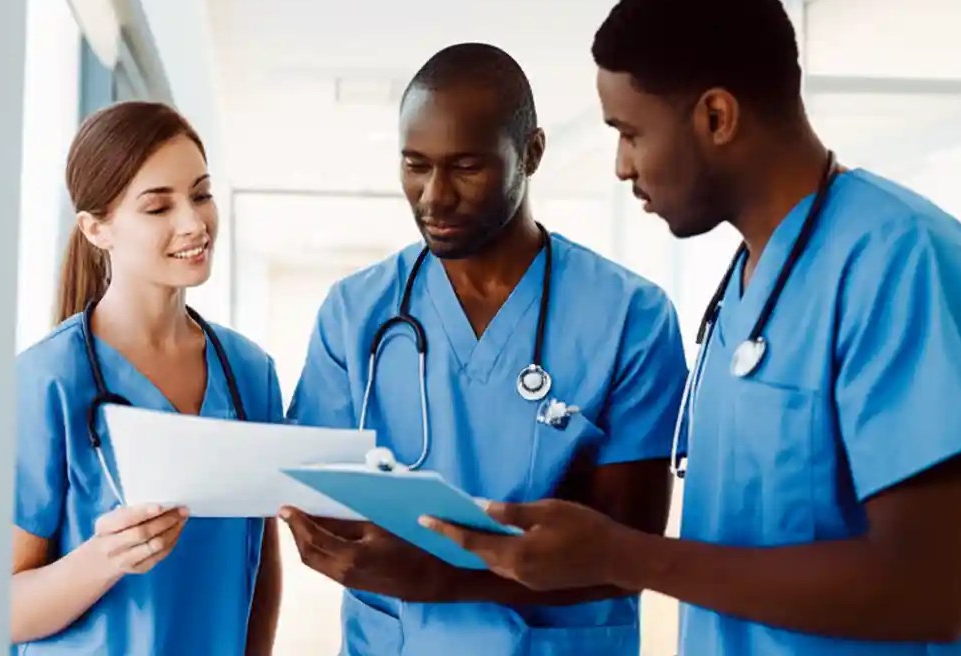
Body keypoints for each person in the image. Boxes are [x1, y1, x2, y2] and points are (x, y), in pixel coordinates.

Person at [423, 0, 961, 655]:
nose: (622, 166)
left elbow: (925, 589)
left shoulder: (902, 260)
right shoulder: (746, 288)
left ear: (716, 116)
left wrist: (622, 554)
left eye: (631, 133)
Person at [278, 43, 687, 655]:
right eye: (415, 165)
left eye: (466, 167)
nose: (434, 197)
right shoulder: (355, 313)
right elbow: (323, 502)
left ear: (532, 153)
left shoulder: (631, 316)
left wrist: (440, 577)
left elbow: (629, 554)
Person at [10, 101, 282, 655]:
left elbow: (261, 568)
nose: (194, 223)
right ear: (96, 229)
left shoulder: (249, 372)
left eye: (201, 195)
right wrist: (105, 558)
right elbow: (1, 608)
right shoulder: (47, 380)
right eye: (158, 206)